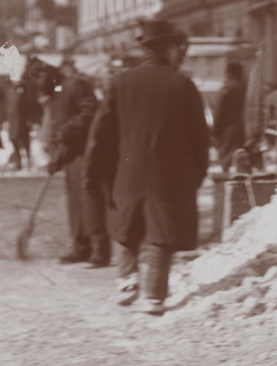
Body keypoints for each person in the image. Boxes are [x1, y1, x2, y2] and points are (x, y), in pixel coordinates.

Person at [85, 19, 210, 317]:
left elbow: (99, 133)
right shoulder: (183, 85)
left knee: (126, 229)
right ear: (168, 48)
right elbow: (200, 138)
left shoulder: (120, 82)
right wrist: (196, 175)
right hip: (169, 176)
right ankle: (154, 295)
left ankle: (127, 281)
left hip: (126, 172)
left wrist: (92, 172)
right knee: (161, 235)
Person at [45, 56, 110, 267]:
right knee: (75, 202)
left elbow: (90, 111)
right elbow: (59, 128)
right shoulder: (54, 93)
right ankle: (81, 247)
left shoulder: (76, 84)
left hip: (88, 152)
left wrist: (68, 130)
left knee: (90, 200)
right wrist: (57, 157)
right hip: (72, 155)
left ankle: (100, 251)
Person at [212, 59, 248, 170]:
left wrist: (215, 133)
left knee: (227, 166)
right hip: (245, 133)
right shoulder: (247, 88)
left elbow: (219, 114)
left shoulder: (226, 90)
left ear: (229, 73)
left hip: (228, 134)